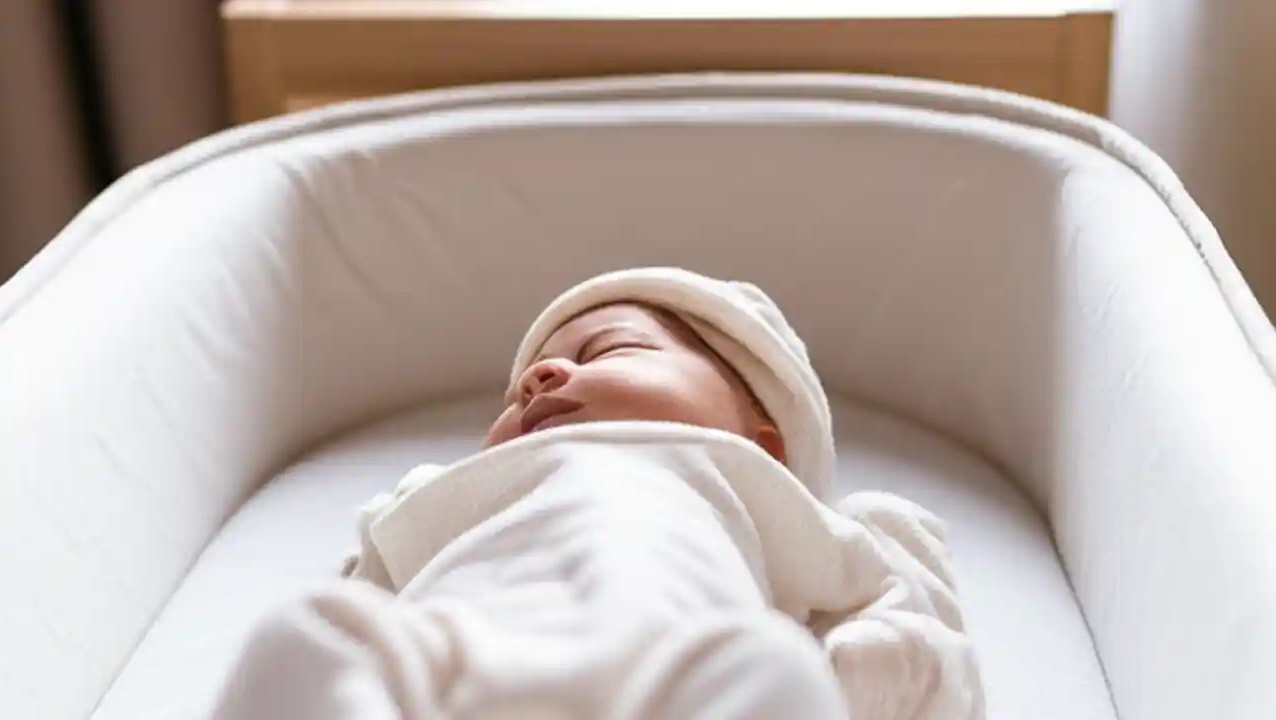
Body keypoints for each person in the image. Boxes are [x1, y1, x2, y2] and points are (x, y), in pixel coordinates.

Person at [213, 268, 984, 720]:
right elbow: (366, 588)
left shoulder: (751, 484)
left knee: (773, 666)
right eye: (519, 390)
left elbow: (908, 620)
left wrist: (852, 672)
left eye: (612, 348)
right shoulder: (440, 495)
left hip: (668, 675)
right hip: (451, 667)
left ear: (764, 439)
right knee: (301, 636)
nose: (540, 378)